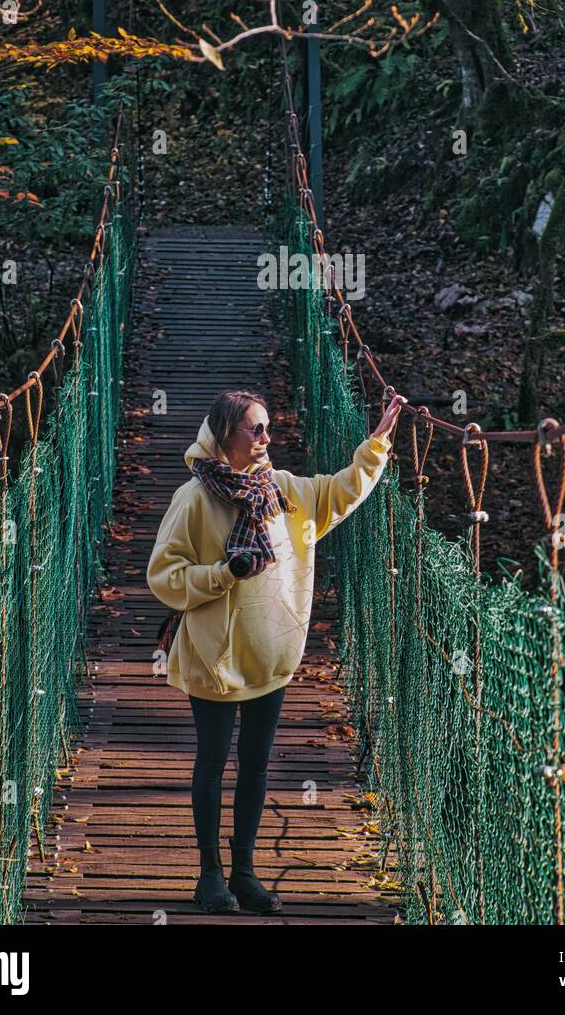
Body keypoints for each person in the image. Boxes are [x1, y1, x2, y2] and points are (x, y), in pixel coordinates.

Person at [146, 386, 406, 915]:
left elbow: (341, 491)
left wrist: (376, 443)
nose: (267, 437)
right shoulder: (193, 499)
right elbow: (164, 577)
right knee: (213, 762)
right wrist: (223, 573)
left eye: (268, 427)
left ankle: (244, 872)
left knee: (257, 763)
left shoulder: (285, 491)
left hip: (271, 657)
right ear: (225, 436)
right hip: (214, 656)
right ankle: (210, 875)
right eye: (255, 429)